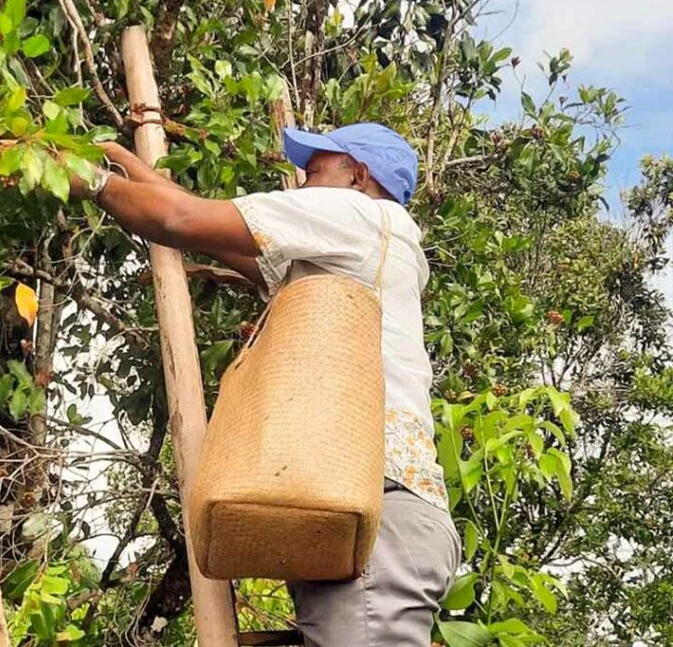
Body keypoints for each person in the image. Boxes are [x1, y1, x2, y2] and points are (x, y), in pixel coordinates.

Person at [71, 122, 460, 646]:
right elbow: (197, 218)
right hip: (371, 511)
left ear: (358, 175)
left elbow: (180, 219)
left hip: (378, 508)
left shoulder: (359, 214)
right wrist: (125, 166)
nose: (303, 180)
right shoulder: (361, 248)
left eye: (317, 166)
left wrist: (91, 183)